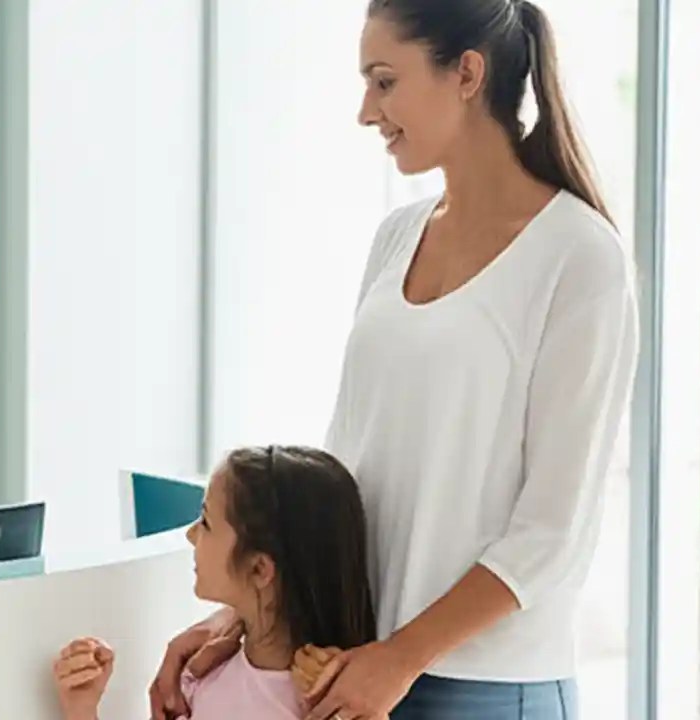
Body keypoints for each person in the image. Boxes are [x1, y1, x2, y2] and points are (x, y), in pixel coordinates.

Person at [150, 1, 639, 719]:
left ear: (467, 73)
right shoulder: (396, 237)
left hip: (485, 685)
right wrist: (250, 619)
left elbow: (552, 532)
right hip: (353, 668)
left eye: (384, 81)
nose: (365, 111)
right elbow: (346, 470)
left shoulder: (580, 257)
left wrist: (404, 657)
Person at [53, 445, 376, 719]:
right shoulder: (206, 673)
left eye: (206, 521)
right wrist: (82, 706)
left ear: (259, 569)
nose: (191, 534)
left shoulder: (329, 705)